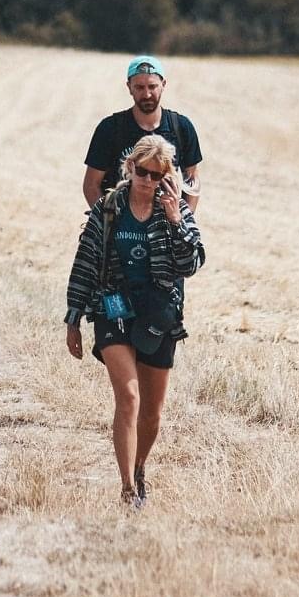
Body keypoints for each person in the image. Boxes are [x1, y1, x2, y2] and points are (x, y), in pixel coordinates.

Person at [64, 134, 204, 508]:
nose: (148, 181)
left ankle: (140, 468)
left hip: (158, 312)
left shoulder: (174, 211)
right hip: (113, 308)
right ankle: (126, 487)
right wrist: (74, 317)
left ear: (167, 177)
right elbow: (85, 262)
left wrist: (176, 219)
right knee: (128, 396)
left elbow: (191, 264)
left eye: (157, 175)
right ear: (130, 168)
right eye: (142, 172)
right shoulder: (108, 208)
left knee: (152, 411)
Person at [81, 54, 203, 211]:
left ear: (163, 85)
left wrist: (183, 221)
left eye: (152, 86)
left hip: (165, 226)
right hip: (120, 227)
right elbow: (91, 184)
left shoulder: (181, 128)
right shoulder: (110, 129)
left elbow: (192, 182)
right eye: (139, 87)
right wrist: (106, 222)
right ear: (129, 87)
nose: (146, 94)